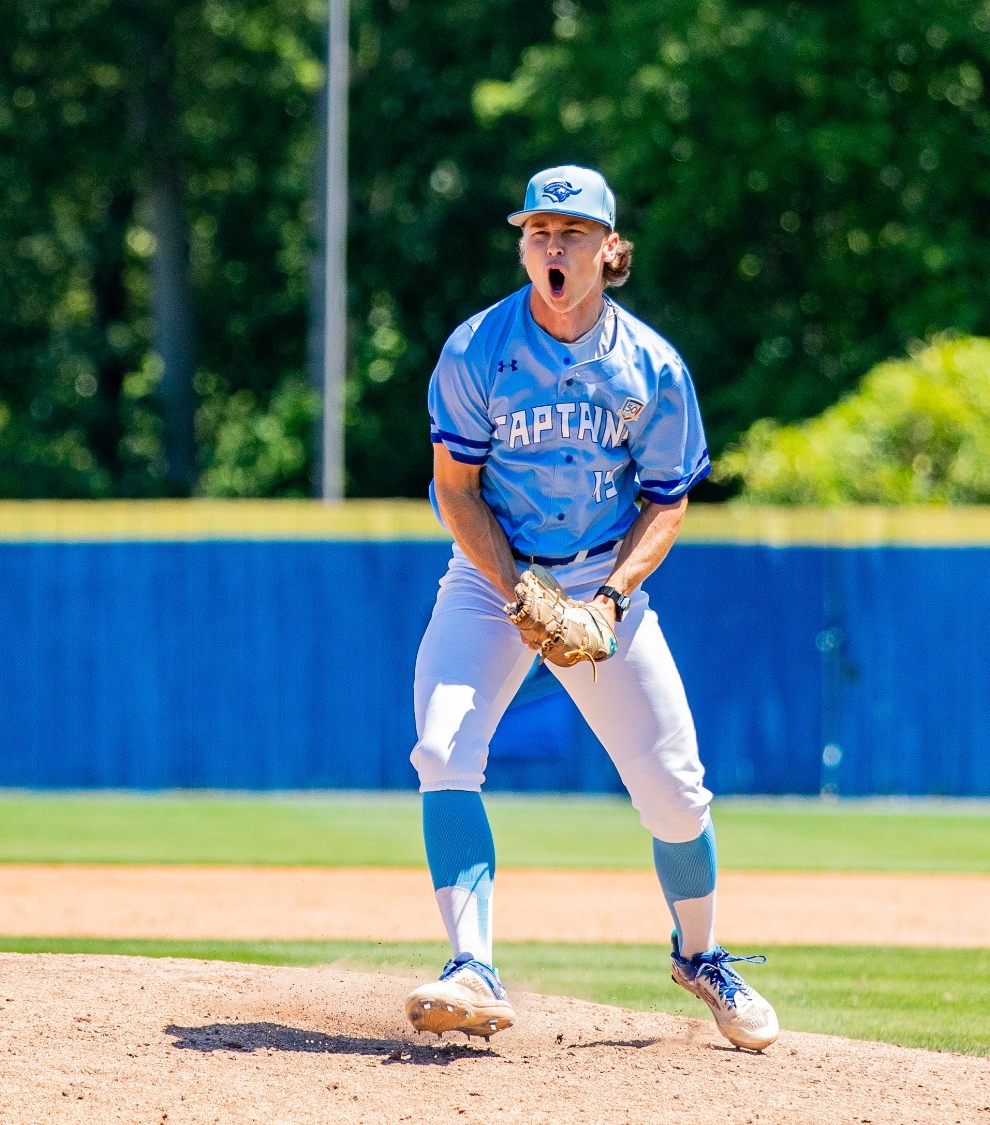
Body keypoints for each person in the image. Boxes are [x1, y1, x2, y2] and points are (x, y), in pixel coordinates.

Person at [401, 165, 778, 1051]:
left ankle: (702, 955)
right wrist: (516, 590)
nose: (552, 245)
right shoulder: (476, 352)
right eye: (538, 231)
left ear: (611, 251)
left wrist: (607, 600)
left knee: (677, 793)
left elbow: (670, 497)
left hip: (605, 575)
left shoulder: (651, 367)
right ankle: (472, 965)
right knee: (441, 746)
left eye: (571, 232)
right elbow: (454, 489)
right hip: (492, 572)